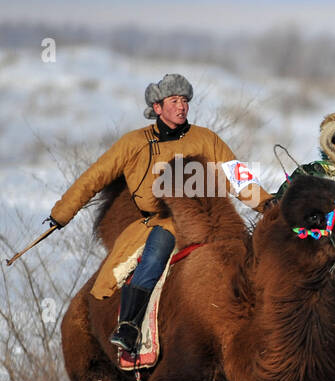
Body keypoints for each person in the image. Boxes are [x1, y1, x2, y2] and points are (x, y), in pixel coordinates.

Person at [45, 73, 272, 353]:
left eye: (185, 101)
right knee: (154, 256)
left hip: (209, 220)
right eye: (174, 101)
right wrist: (62, 213)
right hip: (160, 222)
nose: (181, 107)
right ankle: (129, 325)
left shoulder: (205, 139)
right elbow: (95, 177)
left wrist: (268, 204)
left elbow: (237, 178)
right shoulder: (134, 143)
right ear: (157, 107)